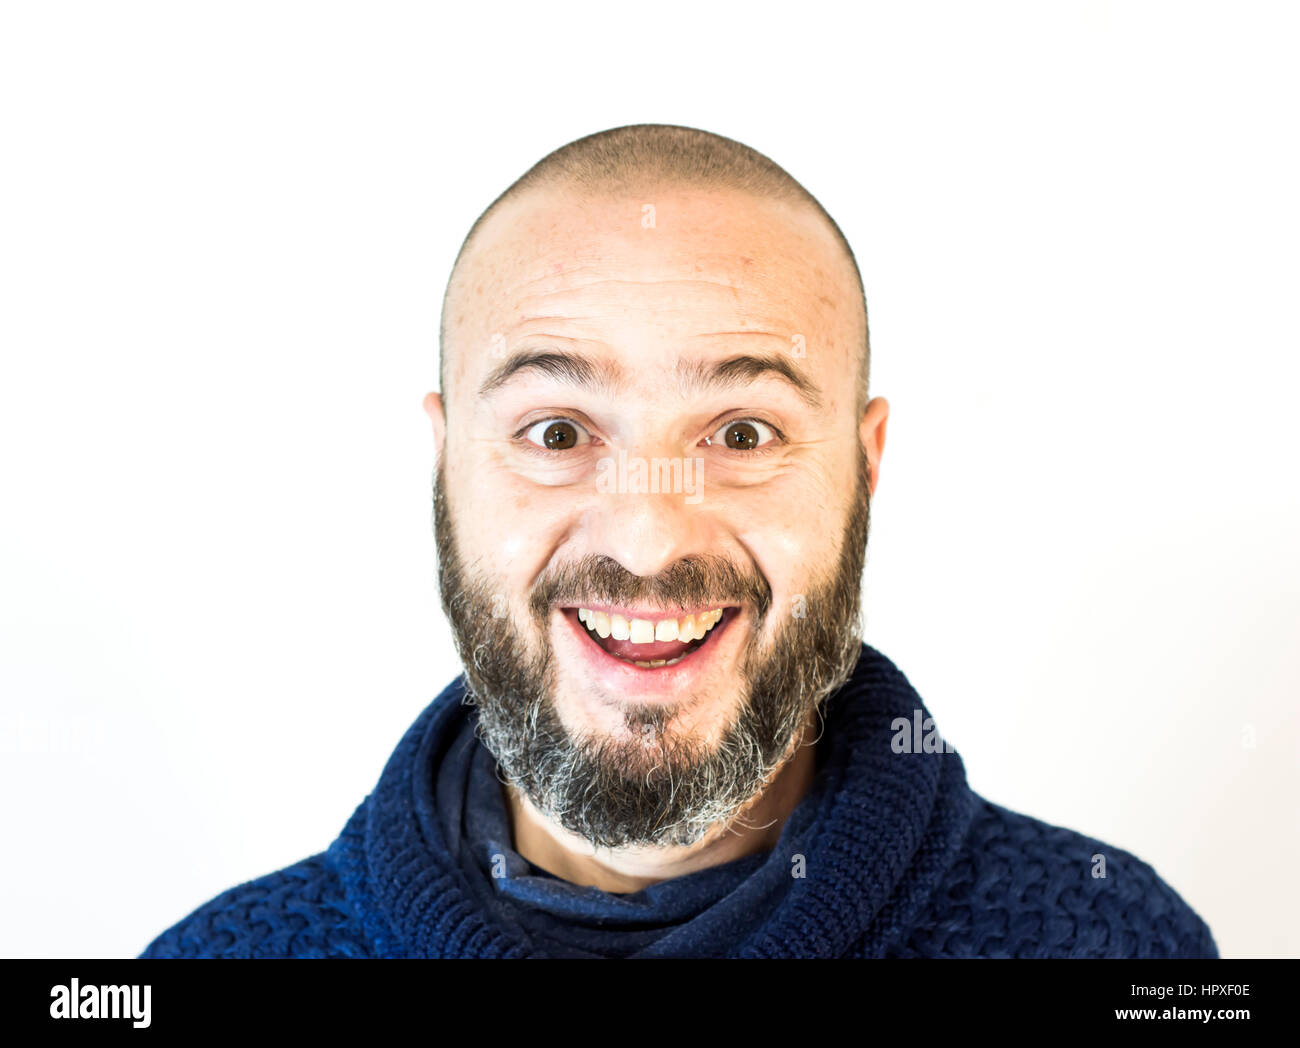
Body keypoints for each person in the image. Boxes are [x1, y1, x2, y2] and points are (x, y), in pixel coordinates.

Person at [139, 124, 1216, 958]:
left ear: (864, 462)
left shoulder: (1109, 944)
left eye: (742, 433)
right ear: (447, 462)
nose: (649, 537)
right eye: (556, 432)